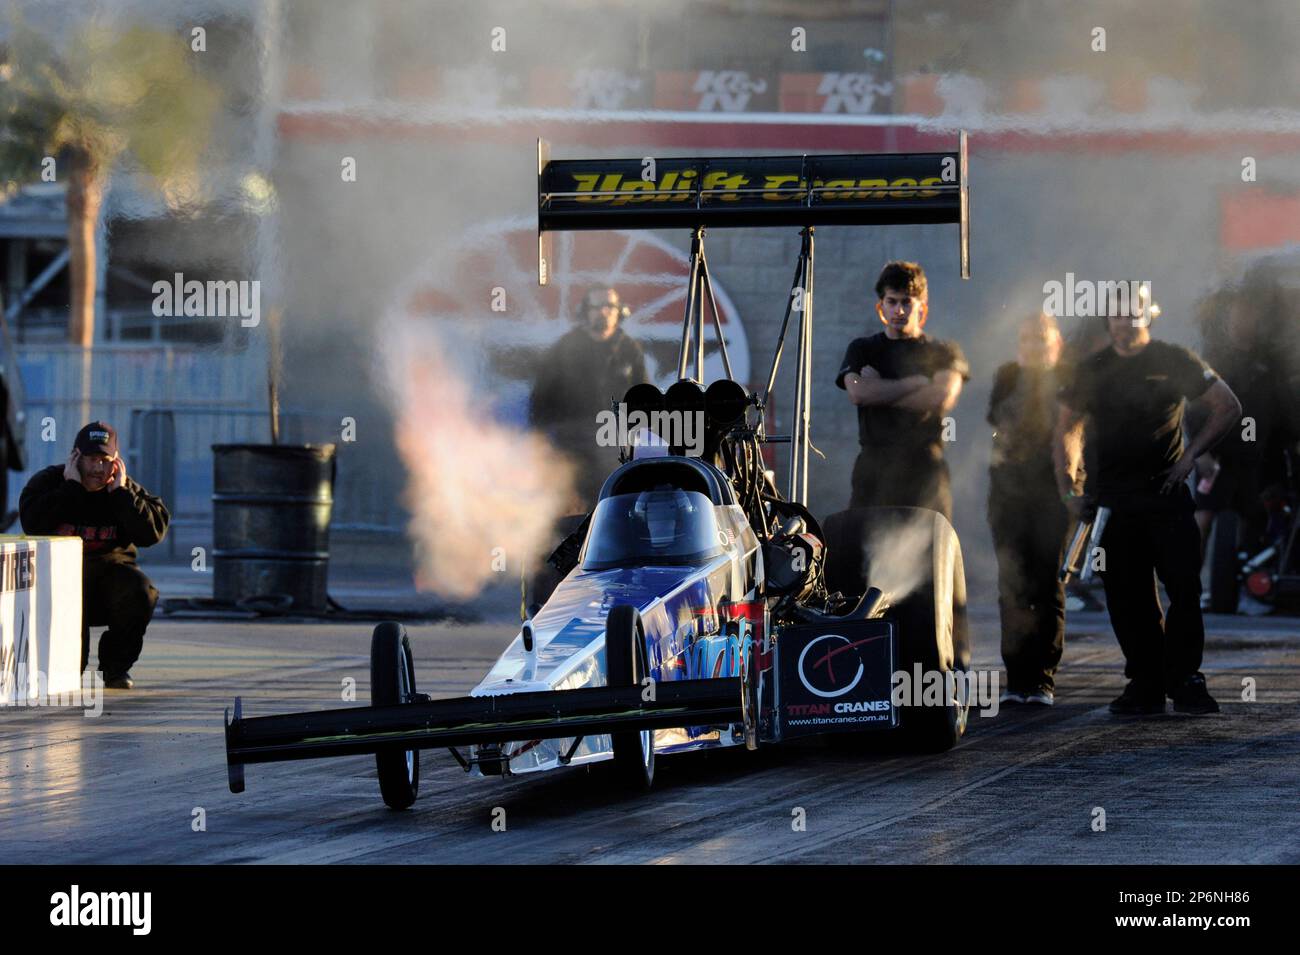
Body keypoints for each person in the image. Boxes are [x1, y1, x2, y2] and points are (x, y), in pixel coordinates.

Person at [1054, 296, 1242, 715]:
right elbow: (1066, 427)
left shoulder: (1174, 359)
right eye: (1117, 314)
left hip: (1167, 500)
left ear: (1149, 315)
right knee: (1125, 597)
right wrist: (1070, 487)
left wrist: (1192, 455)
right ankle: (1146, 682)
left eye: (1134, 313)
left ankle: (1187, 680)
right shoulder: (1091, 369)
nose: (1125, 321)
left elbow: (1227, 406)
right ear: (1108, 319)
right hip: (1113, 506)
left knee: (1184, 590)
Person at [19, 421, 169, 689]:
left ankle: (115, 669)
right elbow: (32, 524)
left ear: (116, 462)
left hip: (109, 585)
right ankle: (68, 666)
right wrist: (71, 490)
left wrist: (122, 496)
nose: (98, 468)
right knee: (68, 673)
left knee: (141, 591)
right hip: (61, 587)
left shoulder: (124, 490)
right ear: (76, 458)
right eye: (91, 460)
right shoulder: (49, 482)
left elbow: (152, 534)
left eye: (105, 460)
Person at [835, 261, 970, 520]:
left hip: (924, 470)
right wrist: (915, 383)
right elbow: (858, 393)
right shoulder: (862, 349)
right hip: (874, 468)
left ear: (922, 306)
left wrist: (879, 390)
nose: (899, 310)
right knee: (864, 551)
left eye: (907, 302)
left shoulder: (942, 352)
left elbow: (941, 397)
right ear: (881, 305)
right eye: (892, 301)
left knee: (928, 554)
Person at [987, 312, 1072, 706]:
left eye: (1041, 339)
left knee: (1046, 583)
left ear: (1055, 342)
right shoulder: (1007, 376)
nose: (1033, 347)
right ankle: (1017, 676)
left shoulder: (1067, 381)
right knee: (1012, 585)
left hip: (1050, 496)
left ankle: (1042, 677)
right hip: (1007, 496)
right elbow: (1000, 426)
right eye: (1026, 339)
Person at [530, 286, 648, 510]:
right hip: (572, 444)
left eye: (610, 306)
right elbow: (541, 398)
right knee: (572, 510)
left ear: (619, 311)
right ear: (585, 311)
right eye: (597, 307)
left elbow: (643, 394)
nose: (604, 312)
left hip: (613, 442)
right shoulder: (565, 348)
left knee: (613, 505)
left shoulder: (629, 349)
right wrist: (542, 440)